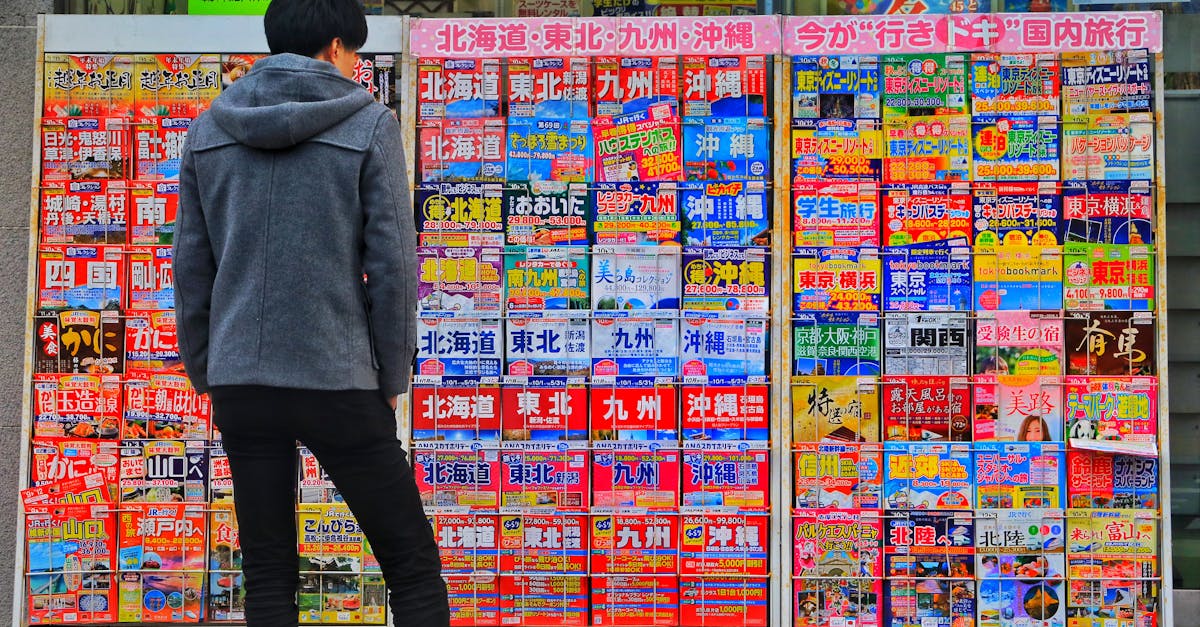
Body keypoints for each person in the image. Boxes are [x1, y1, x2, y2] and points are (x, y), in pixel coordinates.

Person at [172, 0, 449, 624]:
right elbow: (394, 270)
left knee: (268, 574)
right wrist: (392, 378)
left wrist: (210, 372)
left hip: (242, 379)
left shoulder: (209, 128)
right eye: (355, 52)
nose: (356, 65)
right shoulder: (370, 124)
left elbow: (190, 272)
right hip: (338, 376)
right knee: (411, 566)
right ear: (333, 47)